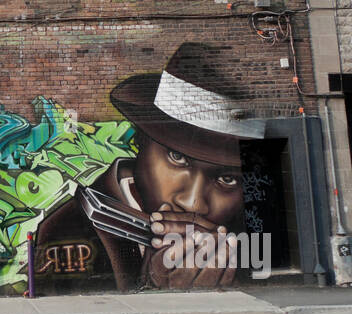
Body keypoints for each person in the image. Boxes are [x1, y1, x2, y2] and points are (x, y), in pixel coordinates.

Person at [34, 43, 266, 291]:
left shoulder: (251, 233)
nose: (192, 203)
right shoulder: (69, 226)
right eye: (177, 157)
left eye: (228, 180)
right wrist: (151, 284)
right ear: (138, 141)